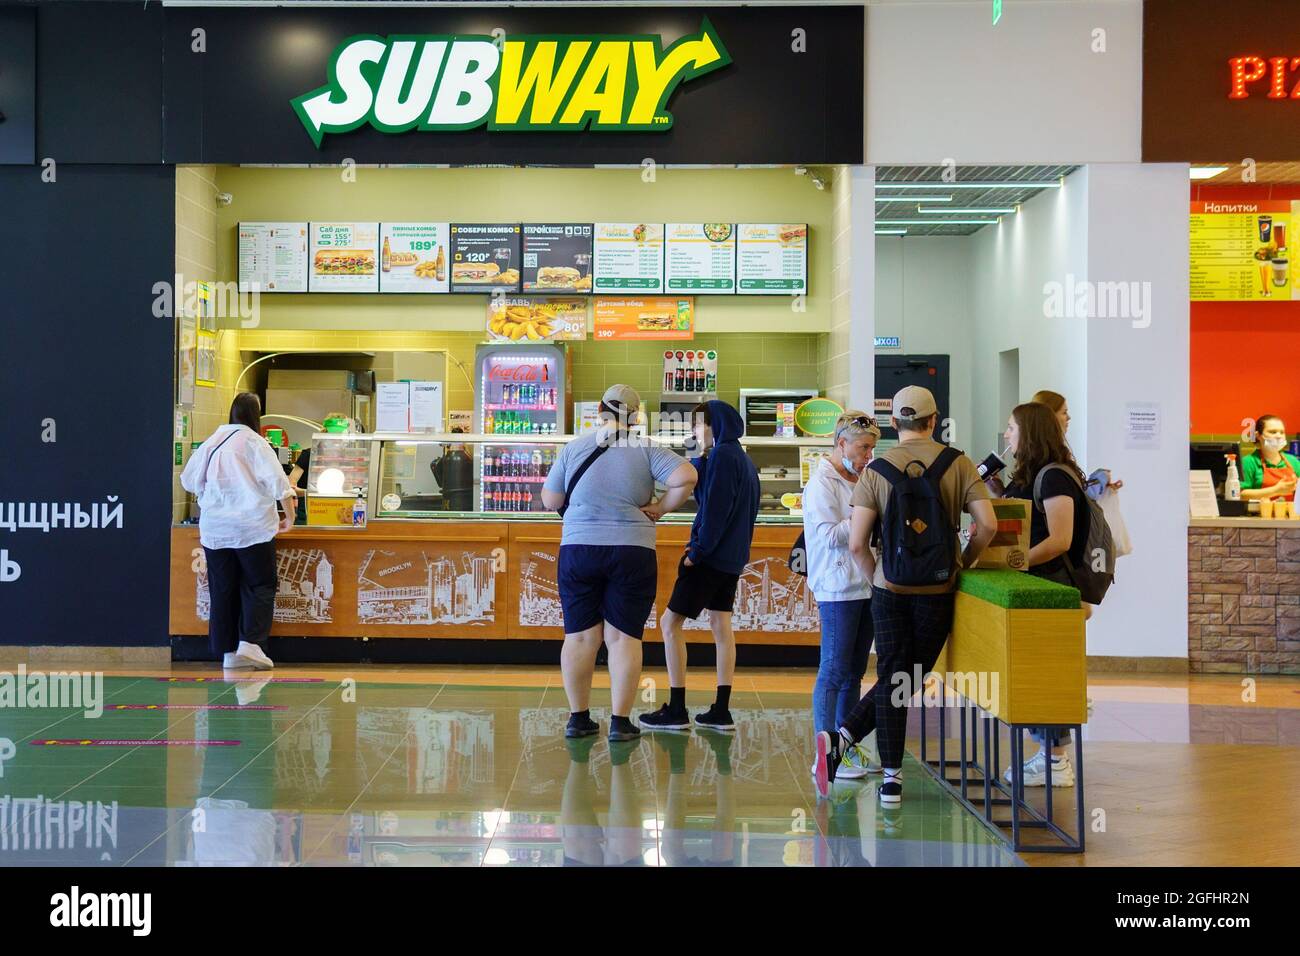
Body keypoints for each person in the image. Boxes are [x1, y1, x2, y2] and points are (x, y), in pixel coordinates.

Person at [813, 386, 997, 806]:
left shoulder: (877, 470)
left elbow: (858, 542)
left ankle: (883, 772)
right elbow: (986, 526)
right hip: (938, 589)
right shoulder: (959, 463)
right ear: (935, 421)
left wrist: (879, 578)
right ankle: (857, 750)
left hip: (889, 591)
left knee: (894, 672)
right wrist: (961, 563)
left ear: (894, 424)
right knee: (907, 677)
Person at [540, 385, 698, 742]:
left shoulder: (575, 446)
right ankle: (619, 722)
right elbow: (687, 475)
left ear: (599, 409)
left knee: (580, 636)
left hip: (580, 548)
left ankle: (579, 719)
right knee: (623, 636)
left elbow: (550, 499)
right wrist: (661, 508)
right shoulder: (645, 448)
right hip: (632, 549)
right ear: (636, 417)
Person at [640, 400, 760, 733]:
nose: (693, 432)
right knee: (722, 629)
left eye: (697, 426)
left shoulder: (723, 457)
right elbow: (704, 485)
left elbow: (715, 510)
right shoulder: (741, 458)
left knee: (669, 623)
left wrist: (698, 552)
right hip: (732, 560)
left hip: (711, 558)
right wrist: (695, 452)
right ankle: (721, 710)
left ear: (713, 425)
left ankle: (677, 708)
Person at [1000, 401, 1093, 786]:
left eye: (1011, 427)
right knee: (1037, 672)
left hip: (1053, 589)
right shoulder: (1033, 474)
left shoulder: (1055, 478)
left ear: (1030, 432)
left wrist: (1017, 562)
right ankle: (1049, 754)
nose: (1006, 434)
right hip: (1037, 589)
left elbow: (1059, 539)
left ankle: (1056, 759)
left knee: (1048, 674)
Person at [181, 392, 296, 671]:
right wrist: (289, 517)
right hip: (252, 527)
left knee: (223, 589)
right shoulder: (255, 443)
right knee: (259, 585)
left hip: (215, 531)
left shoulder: (212, 441)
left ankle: (228, 653)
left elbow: (187, 480)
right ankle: (251, 645)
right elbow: (280, 484)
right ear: (255, 415)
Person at [801, 411, 882, 779]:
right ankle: (824, 751)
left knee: (854, 672)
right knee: (833, 669)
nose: (868, 455)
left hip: (866, 583)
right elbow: (828, 534)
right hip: (837, 589)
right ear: (841, 444)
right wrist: (865, 517)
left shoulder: (862, 477)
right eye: (863, 447)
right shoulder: (822, 483)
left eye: (872, 448)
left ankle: (845, 748)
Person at [1031, 389, 1123, 491]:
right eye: (1064, 412)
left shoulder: (1035, 454)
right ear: (1050, 416)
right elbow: (1081, 493)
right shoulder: (1052, 462)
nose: (1069, 417)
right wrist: (1102, 477)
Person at [1239, 414, 1299, 504]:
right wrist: (1276, 490)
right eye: (1272, 432)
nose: (1279, 436)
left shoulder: (1293, 461)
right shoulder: (1248, 462)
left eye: (1282, 432)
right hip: (1256, 515)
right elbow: (1241, 494)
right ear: (1258, 435)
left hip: (1289, 515)